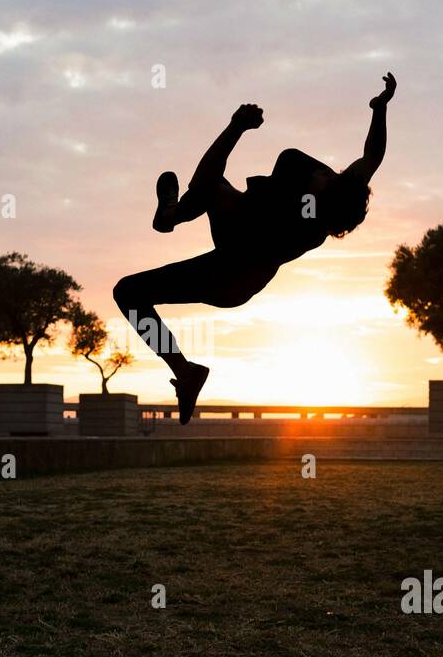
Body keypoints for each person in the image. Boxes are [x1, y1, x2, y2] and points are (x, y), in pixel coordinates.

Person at [113, 72, 396, 423]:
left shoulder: (300, 222)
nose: (325, 175)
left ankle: (184, 371)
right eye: (330, 176)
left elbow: (208, 183)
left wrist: (236, 127)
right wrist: (380, 109)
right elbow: (372, 156)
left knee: (129, 292)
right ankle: (170, 216)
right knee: (211, 188)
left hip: (230, 272)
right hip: (242, 247)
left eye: (325, 183)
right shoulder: (338, 189)